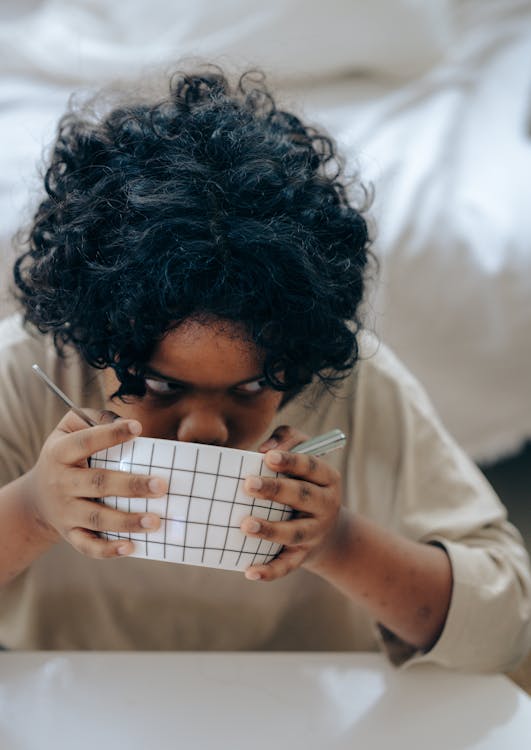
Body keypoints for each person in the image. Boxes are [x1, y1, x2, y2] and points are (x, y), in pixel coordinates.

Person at [0, 67, 529, 668]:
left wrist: (337, 541)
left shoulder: (353, 387)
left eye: (253, 387)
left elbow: (507, 623)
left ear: (298, 361)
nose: (206, 430)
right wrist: (33, 509)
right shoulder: (25, 372)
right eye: (156, 385)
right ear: (91, 340)